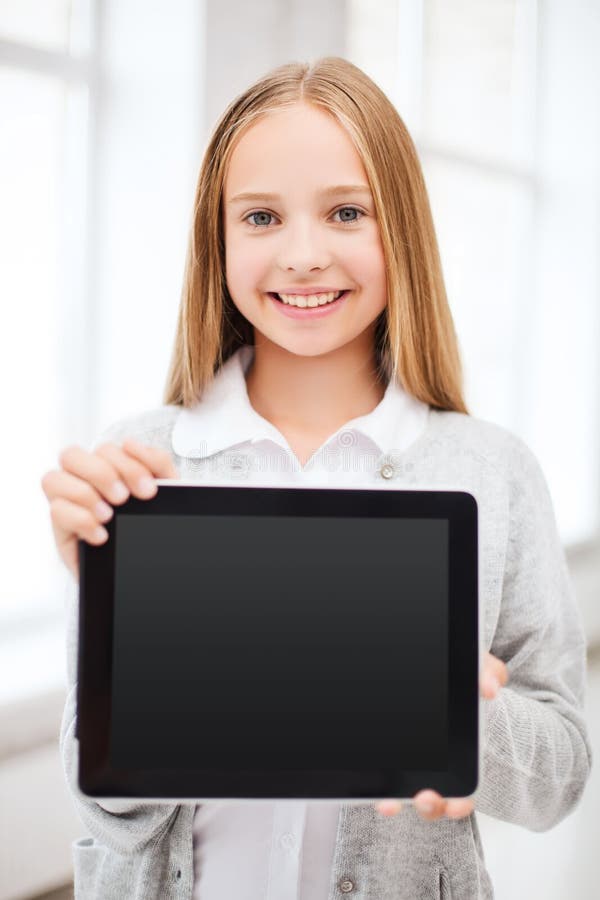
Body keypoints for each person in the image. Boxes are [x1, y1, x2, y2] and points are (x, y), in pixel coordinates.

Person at [41, 56, 591, 900]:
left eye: (345, 212)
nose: (303, 255)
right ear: (216, 241)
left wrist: (452, 706)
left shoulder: (493, 472)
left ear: (398, 227)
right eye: (260, 216)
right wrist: (132, 615)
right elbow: (114, 812)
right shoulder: (144, 462)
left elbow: (560, 780)